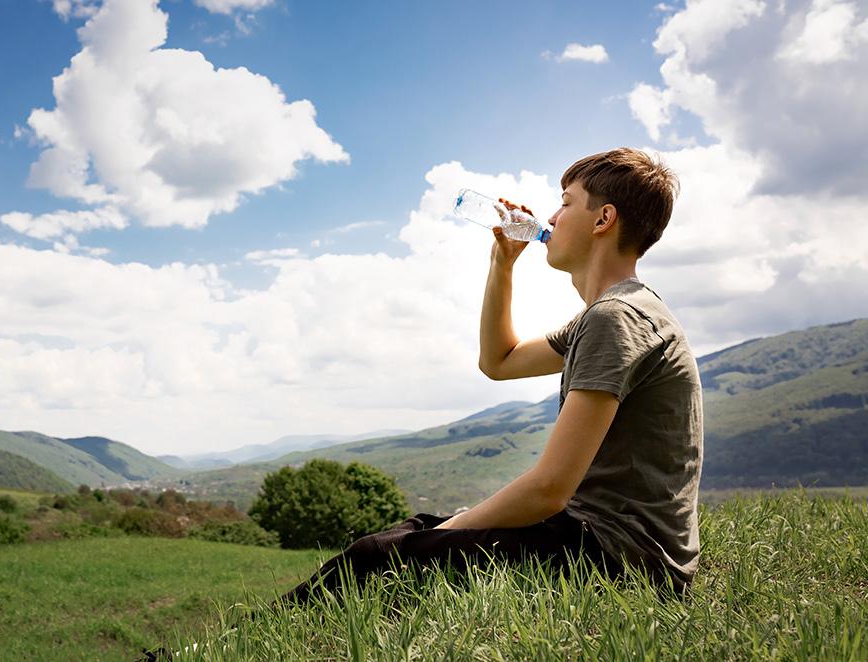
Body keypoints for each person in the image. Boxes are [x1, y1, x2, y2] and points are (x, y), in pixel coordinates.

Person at [277, 147, 703, 605]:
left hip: (619, 560)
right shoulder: (611, 313)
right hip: (607, 542)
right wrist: (503, 262)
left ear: (603, 220)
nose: (553, 218)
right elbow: (499, 361)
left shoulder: (615, 318)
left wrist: (445, 534)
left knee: (378, 556)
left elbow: (548, 489)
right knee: (415, 528)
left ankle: (241, 645)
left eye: (565, 201)